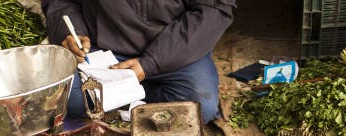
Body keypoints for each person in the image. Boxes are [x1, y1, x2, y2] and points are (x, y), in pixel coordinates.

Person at [41, 0, 235, 124]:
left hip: (177, 49)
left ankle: (123, 98)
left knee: (200, 108)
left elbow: (213, 10)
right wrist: (71, 31)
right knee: (68, 98)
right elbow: (62, 2)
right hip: (107, 49)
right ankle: (132, 96)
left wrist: (150, 64)